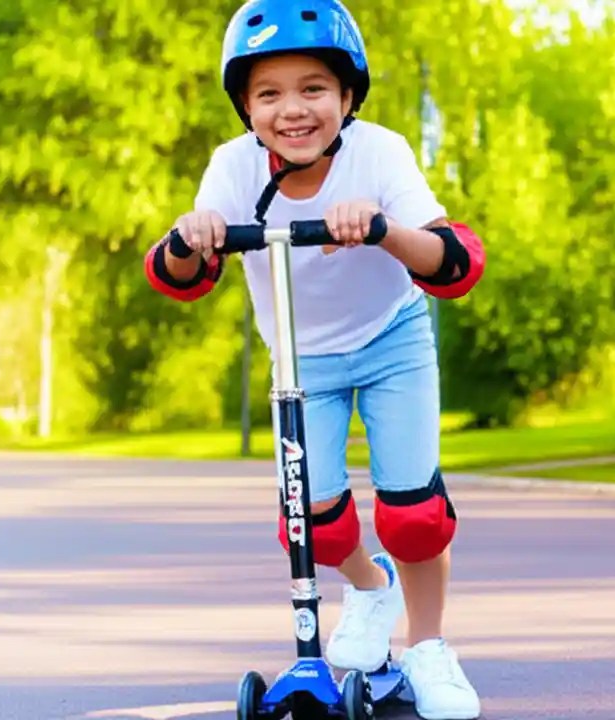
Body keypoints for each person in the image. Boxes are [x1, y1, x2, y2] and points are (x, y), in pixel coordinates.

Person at [143, 1, 485, 717]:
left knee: (414, 513)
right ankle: (369, 587)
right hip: (303, 361)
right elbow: (180, 276)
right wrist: (190, 235)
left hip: (393, 342)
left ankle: (427, 649)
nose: (292, 110)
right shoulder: (230, 168)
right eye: (269, 93)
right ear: (245, 106)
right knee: (314, 524)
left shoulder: (381, 151)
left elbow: (453, 263)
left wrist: (383, 229)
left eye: (313, 89)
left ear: (347, 96)